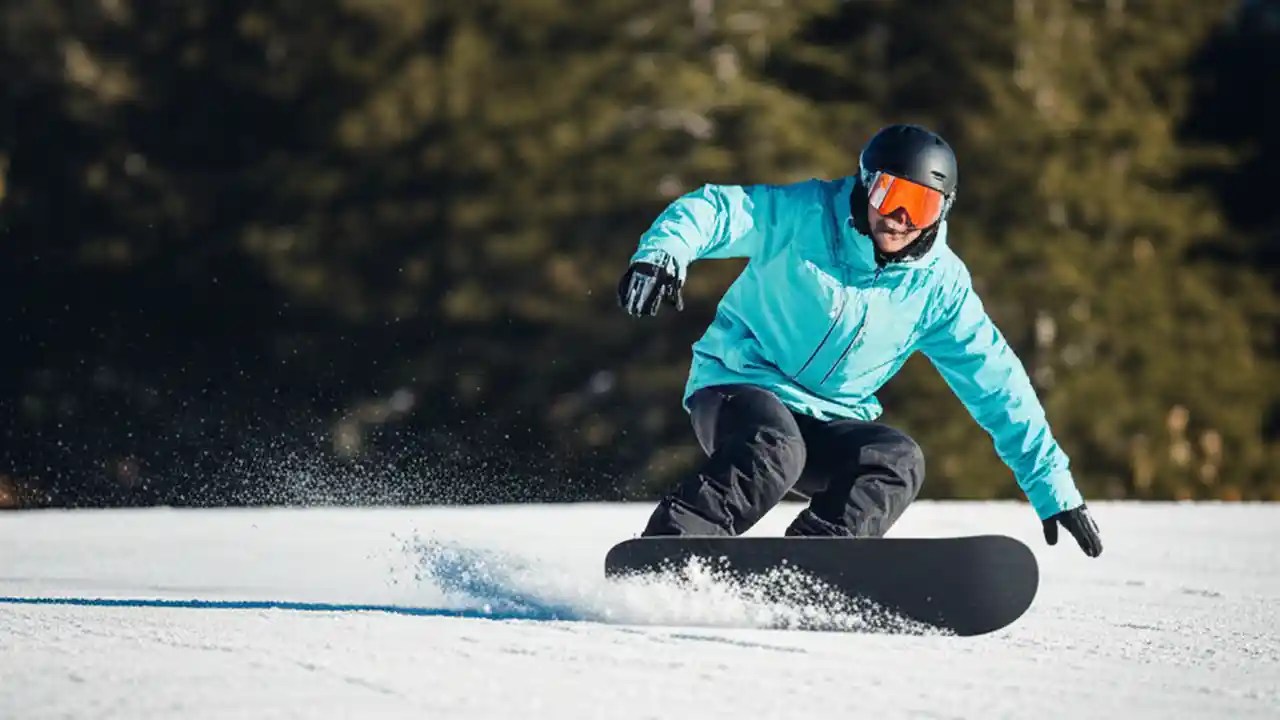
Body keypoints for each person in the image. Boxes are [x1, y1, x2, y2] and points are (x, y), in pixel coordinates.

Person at [617, 123, 1102, 557]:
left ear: (942, 211)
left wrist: (1052, 487)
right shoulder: (805, 215)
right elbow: (719, 210)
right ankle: (670, 552)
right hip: (738, 387)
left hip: (830, 418)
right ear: (866, 183)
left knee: (897, 460)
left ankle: (813, 565)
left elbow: (998, 385)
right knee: (774, 447)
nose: (899, 218)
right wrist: (663, 254)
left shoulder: (939, 287)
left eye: (921, 206)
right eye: (890, 194)